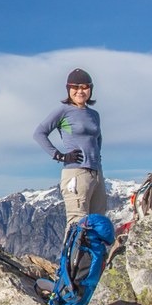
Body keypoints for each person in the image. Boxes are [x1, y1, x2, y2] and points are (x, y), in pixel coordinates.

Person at [33, 68, 107, 224]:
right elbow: (39, 133)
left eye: (84, 87)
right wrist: (60, 156)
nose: (80, 91)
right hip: (76, 172)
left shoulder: (94, 115)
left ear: (90, 89)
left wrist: (96, 158)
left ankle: (92, 250)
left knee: (98, 222)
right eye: (75, 87)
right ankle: (72, 250)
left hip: (97, 173)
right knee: (77, 222)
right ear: (68, 89)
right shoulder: (63, 111)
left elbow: (97, 138)